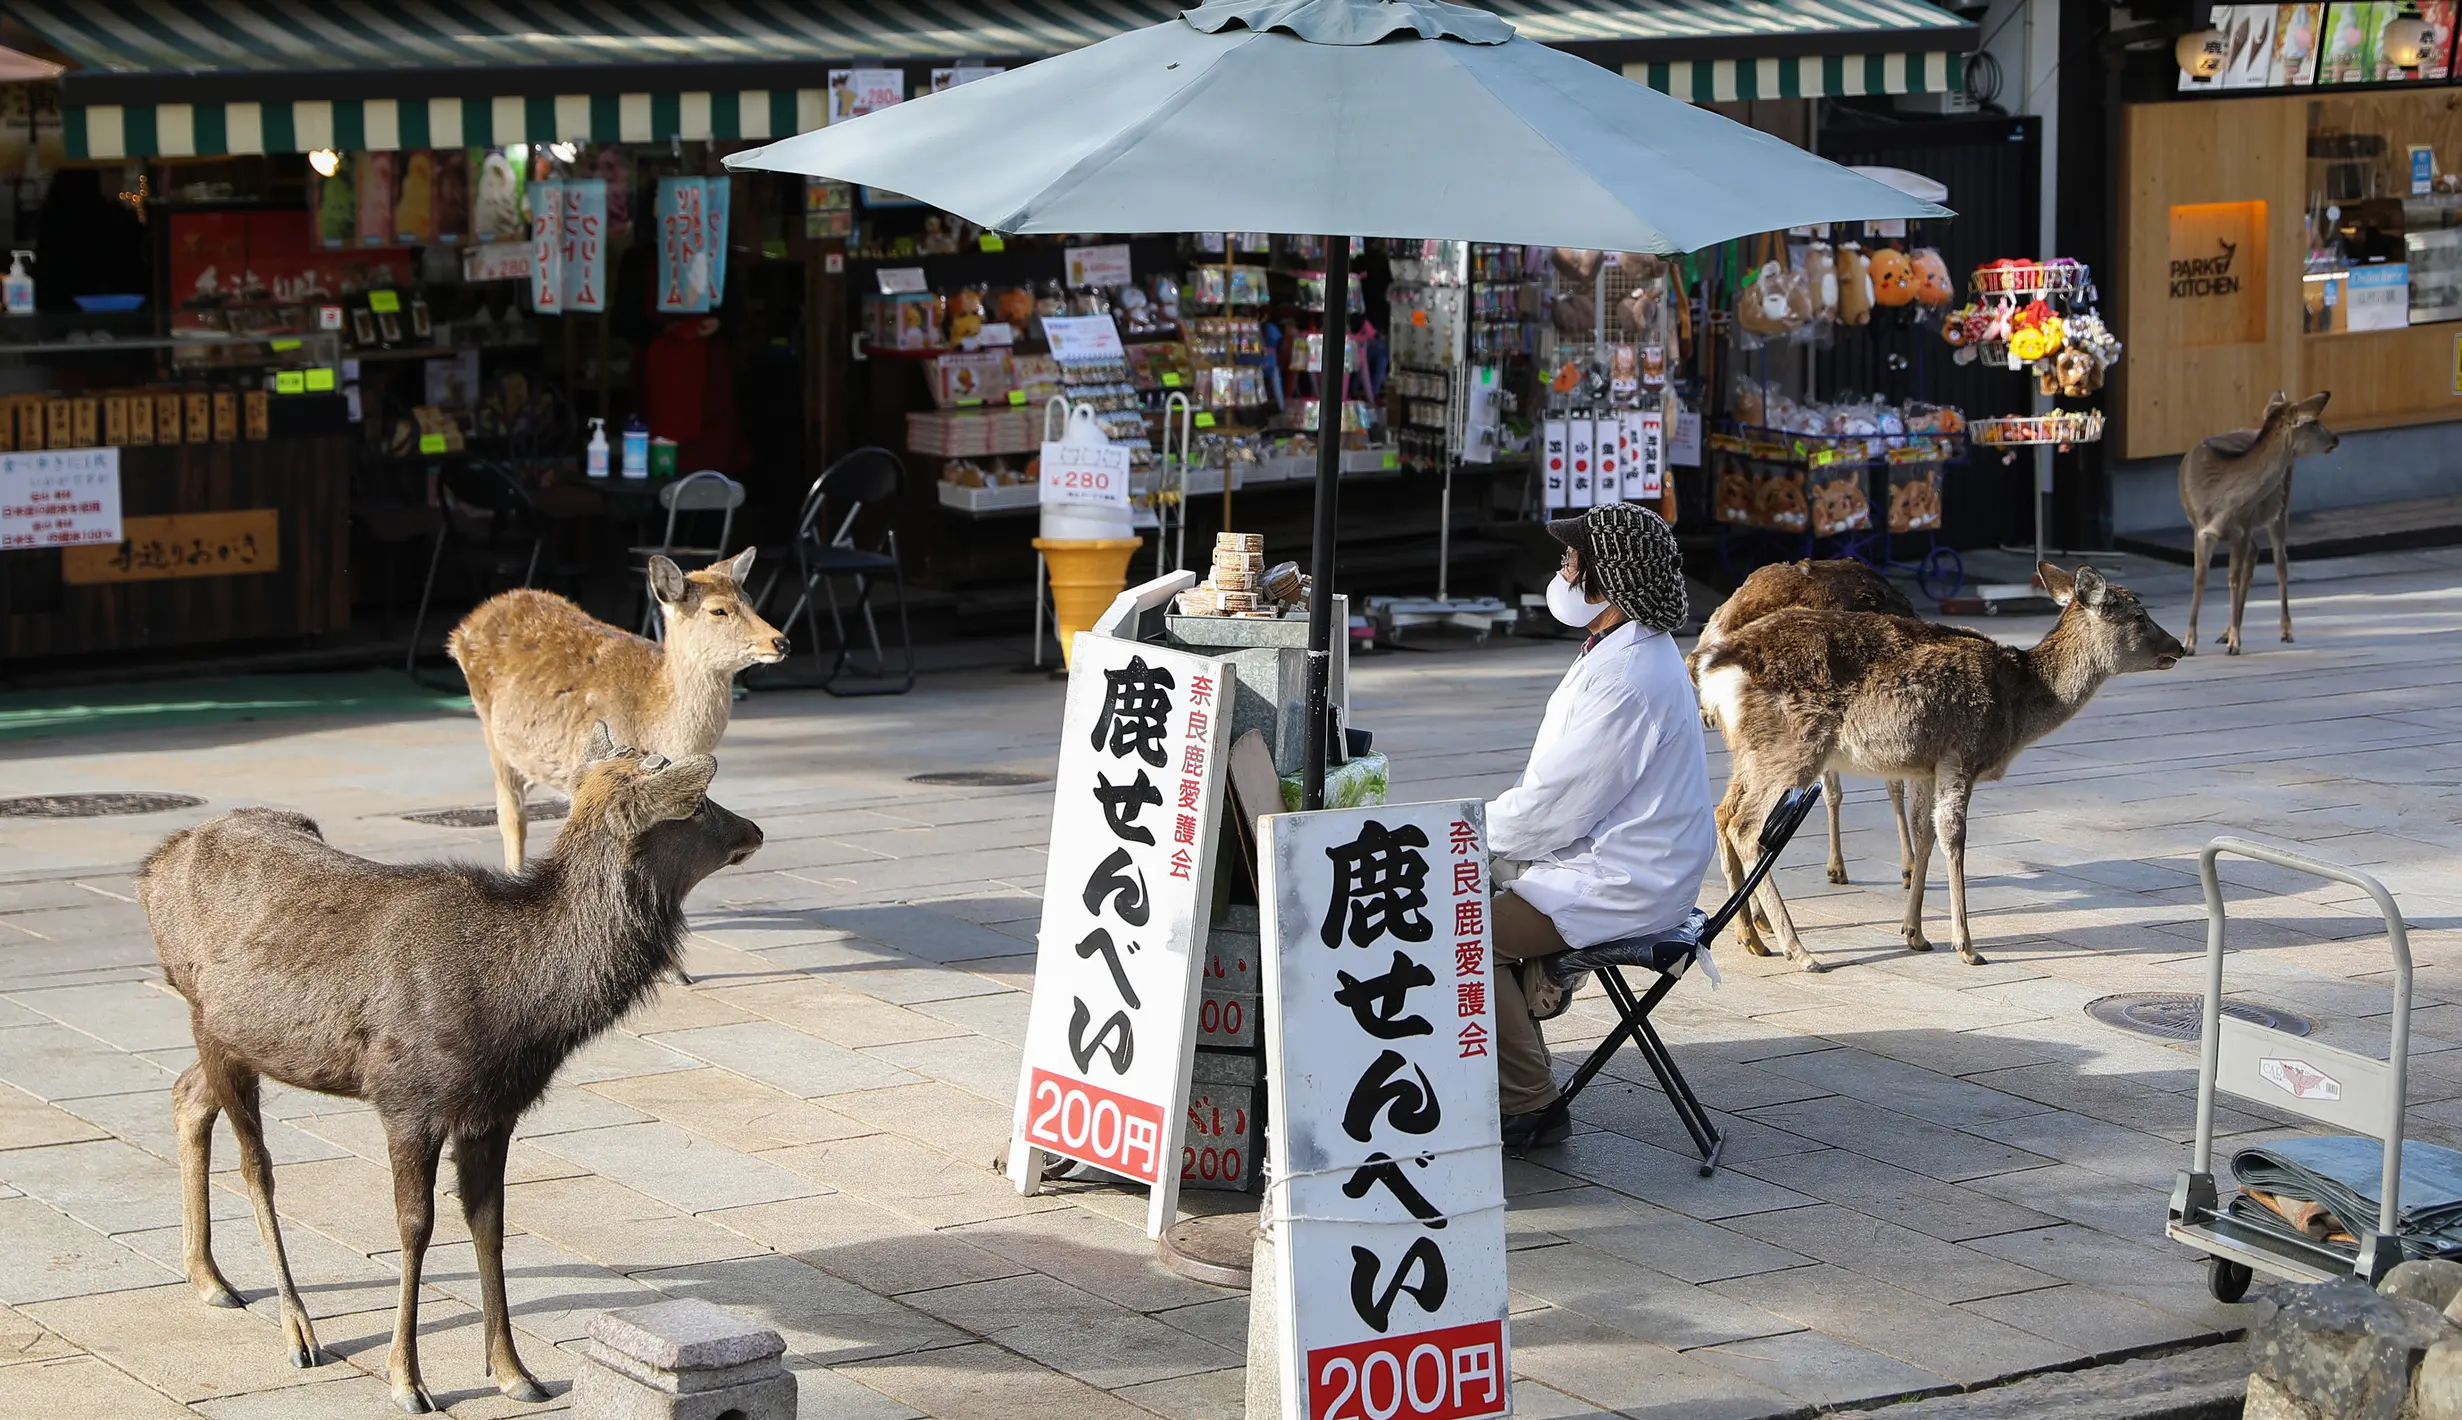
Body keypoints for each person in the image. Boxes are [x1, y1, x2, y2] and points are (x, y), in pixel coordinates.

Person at [1486, 503, 1716, 1149]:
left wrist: (1459, 830)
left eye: (1570, 561)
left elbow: (1553, 808)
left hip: (1626, 879)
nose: (1560, 573)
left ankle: (1530, 1102)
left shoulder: (1629, 675)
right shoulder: (1622, 648)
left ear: (1605, 576)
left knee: (1455, 935)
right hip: (1611, 859)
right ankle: (1526, 1008)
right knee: (1464, 893)